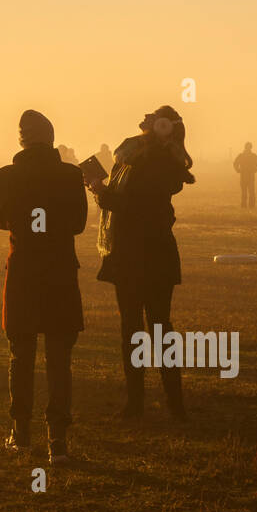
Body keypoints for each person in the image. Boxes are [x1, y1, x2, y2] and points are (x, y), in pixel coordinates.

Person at [0, 110, 88, 463]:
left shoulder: (8, 175)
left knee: (21, 356)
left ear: (22, 140)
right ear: (50, 138)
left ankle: (20, 434)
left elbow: (1, 219)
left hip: (23, 277)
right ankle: (58, 440)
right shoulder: (71, 175)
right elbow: (78, 223)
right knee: (60, 360)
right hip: (61, 274)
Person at [91, 105, 195, 420]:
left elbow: (127, 204)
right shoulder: (161, 160)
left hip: (132, 255)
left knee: (133, 328)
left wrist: (99, 191)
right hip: (158, 253)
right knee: (160, 326)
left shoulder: (152, 161)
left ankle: (137, 402)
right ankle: (172, 401)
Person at [233, 142, 257, 208]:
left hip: (245, 176)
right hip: (249, 176)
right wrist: (254, 170)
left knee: (246, 193)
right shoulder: (253, 156)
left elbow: (235, 163)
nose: (248, 148)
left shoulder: (242, 155)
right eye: (248, 147)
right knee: (249, 192)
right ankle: (250, 207)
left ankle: (244, 206)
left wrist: (238, 170)